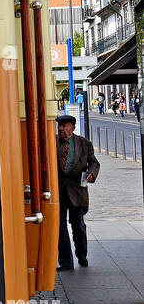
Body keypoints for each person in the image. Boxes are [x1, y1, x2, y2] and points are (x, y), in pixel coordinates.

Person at [56, 113, 99, 271]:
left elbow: (93, 162)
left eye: (64, 125)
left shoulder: (84, 143)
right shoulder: (51, 142)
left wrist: (92, 174)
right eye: (59, 125)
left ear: (72, 128)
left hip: (77, 190)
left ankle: (82, 255)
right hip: (58, 191)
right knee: (60, 229)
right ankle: (66, 262)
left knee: (78, 226)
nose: (61, 128)